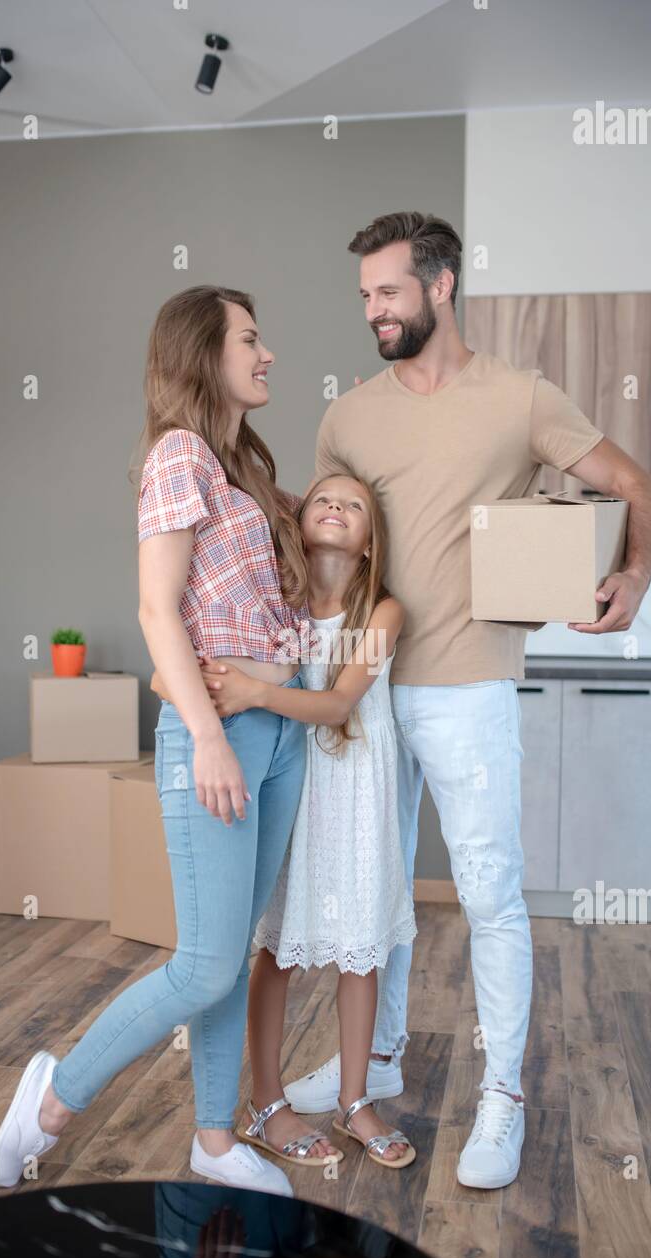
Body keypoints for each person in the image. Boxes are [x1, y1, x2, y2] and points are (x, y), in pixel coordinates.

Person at [284, 212, 651, 1190]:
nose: (371, 310)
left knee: (488, 893)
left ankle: (503, 1090)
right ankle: (373, 1062)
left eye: (388, 292)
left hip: (469, 688)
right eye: (364, 294)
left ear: (441, 285)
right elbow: (327, 545)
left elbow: (630, 481)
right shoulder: (347, 417)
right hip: (361, 695)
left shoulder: (520, 398)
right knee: (372, 891)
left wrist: (631, 575)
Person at [0, 285, 338, 1197]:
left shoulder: (241, 467)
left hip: (281, 727)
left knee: (226, 953)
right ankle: (53, 1101)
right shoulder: (178, 455)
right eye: (251, 340)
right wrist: (206, 737)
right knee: (206, 962)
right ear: (201, 352)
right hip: (217, 734)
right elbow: (155, 607)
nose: (267, 356)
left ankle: (214, 1142)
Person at [199, 468, 418, 1171]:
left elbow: (336, 706)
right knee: (279, 945)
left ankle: (355, 1099)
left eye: (354, 505)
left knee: (363, 948)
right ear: (298, 521)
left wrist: (254, 692)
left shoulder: (384, 613)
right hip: (293, 785)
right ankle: (267, 1100)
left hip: (357, 794)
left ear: (369, 542)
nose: (336, 506)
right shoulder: (279, 603)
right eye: (324, 497)